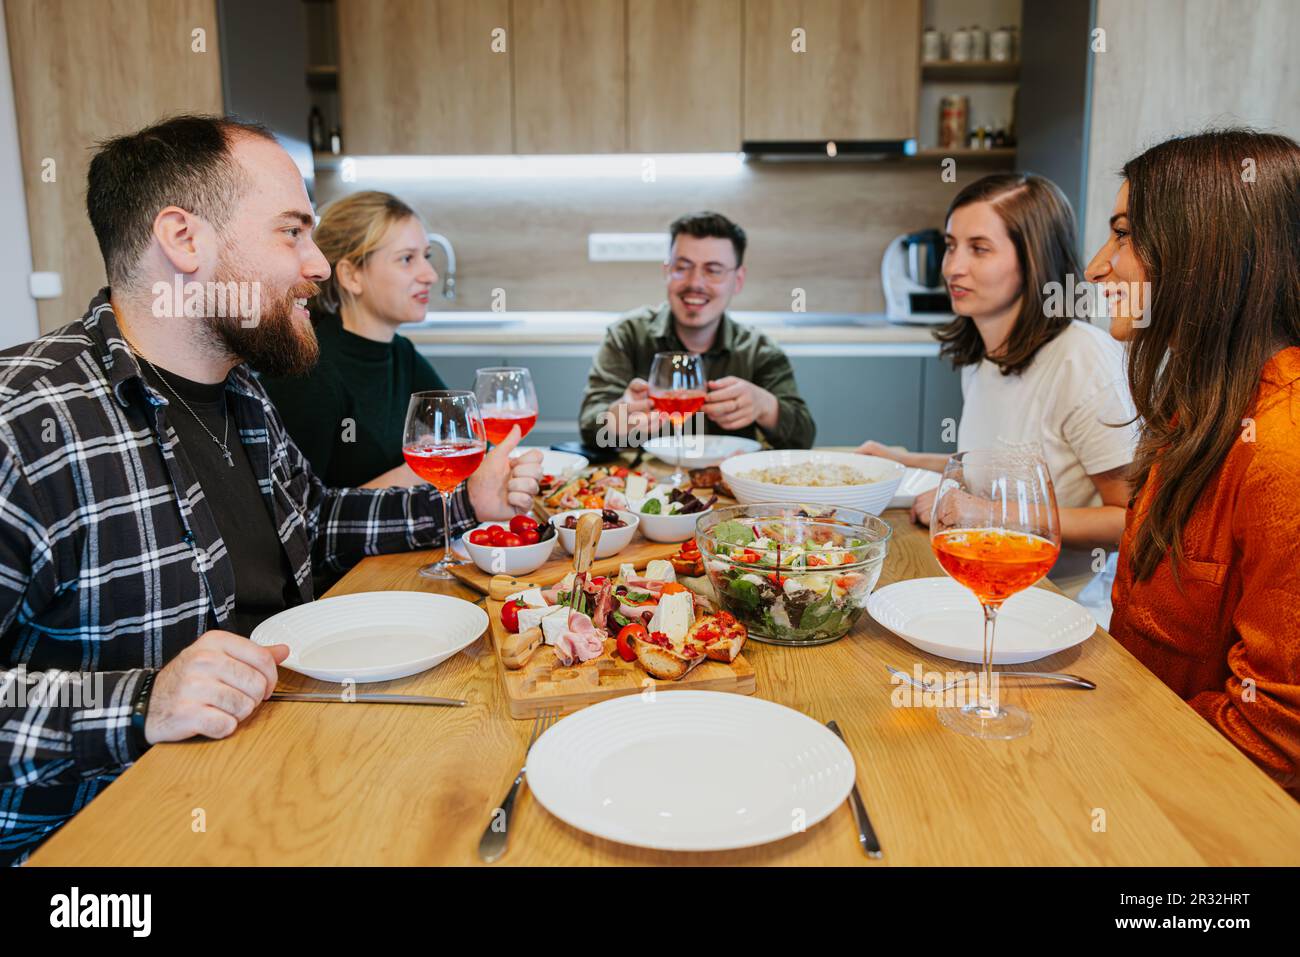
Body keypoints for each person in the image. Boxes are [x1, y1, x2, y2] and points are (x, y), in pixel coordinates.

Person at [0, 114, 538, 864]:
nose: (318, 265)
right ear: (184, 241)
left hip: (276, 770)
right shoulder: (26, 422)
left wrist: (460, 503)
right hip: (107, 841)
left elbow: (313, 525)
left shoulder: (240, 387)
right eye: (292, 233)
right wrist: (139, 702)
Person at [1085, 129, 1300, 796]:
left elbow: (1275, 736)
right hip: (1137, 771)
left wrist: (1096, 731)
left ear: (1206, 251)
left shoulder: (1283, 454)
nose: (1097, 267)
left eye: (1123, 235)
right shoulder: (1202, 409)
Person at [857, 173, 1136, 609]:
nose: (953, 267)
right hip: (987, 585)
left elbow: (1129, 520)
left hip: (1061, 607)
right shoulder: (984, 355)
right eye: (951, 246)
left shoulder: (1083, 360)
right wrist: (904, 461)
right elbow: (998, 464)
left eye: (979, 249)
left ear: (1033, 259)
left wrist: (988, 515)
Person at [261, 191, 541, 490]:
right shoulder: (308, 371)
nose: (430, 274)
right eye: (407, 259)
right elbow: (303, 513)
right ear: (351, 276)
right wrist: (429, 468)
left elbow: (466, 439)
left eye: (427, 256)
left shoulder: (400, 352)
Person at [578, 211, 814, 451]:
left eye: (713, 270)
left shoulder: (759, 351)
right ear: (667, 272)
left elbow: (803, 439)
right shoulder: (627, 335)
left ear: (738, 280)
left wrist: (766, 406)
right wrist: (616, 421)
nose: (695, 283)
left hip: (726, 483)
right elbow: (590, 427)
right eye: (682, 267)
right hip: (647, 484)